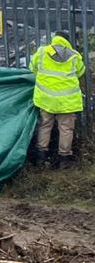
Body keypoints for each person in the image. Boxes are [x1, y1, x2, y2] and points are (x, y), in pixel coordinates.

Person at [29, 31, 85, 168]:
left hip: (46, 99)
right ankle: (64, 159)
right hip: (67, 101)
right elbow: (80, 72)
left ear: (55, 39)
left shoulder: (42, 52)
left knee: (44, 126)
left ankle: (41, 157)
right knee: (66, 129)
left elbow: (32, 68)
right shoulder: (74, 56)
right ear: (67, 41)